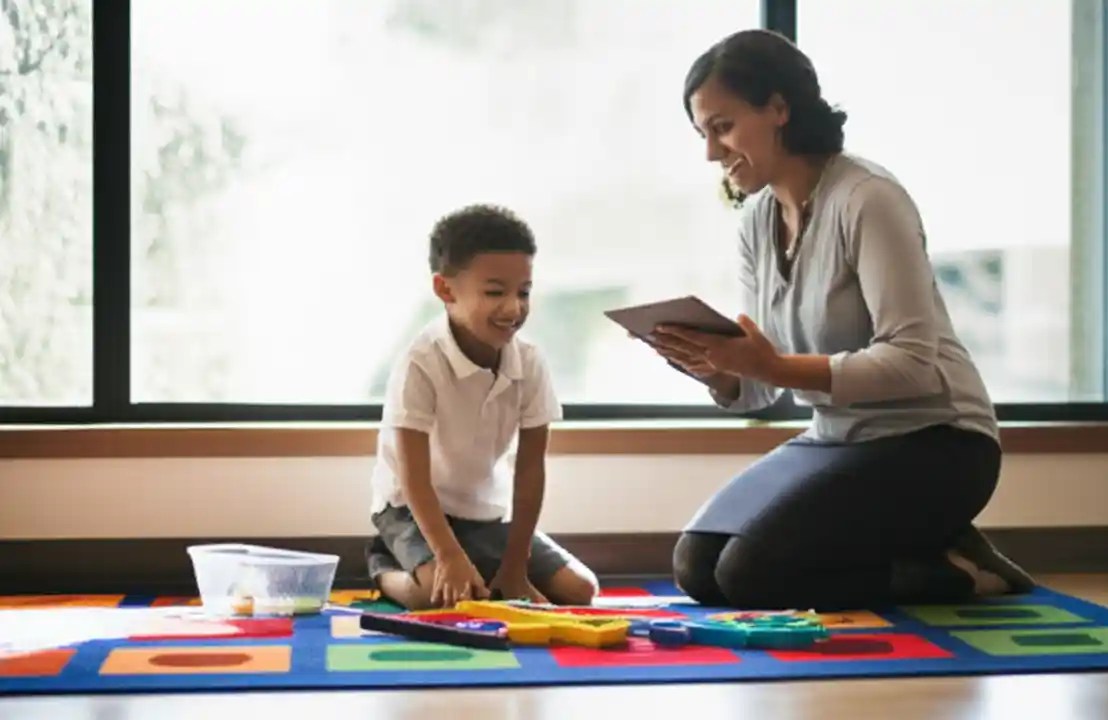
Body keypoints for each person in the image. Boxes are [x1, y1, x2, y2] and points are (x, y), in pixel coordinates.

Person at [646, 30, 1034, 611]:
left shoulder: (868, 197)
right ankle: (927, 542)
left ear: (779, 108)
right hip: (837, 438)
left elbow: (909, 363)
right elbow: (764, 384)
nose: (710, 152)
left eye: (722, 127)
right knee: (697, 568)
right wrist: (718, 369)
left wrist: (770, 364)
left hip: (939, 443)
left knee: (751, 574)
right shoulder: (756, 219)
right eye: (703, 134)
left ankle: (956, 568)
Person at [364, 204, 599, 609]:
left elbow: (529, 470)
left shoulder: (529, 361)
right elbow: (412, 477)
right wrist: (448, 556)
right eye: (495, 292)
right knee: (439, 599)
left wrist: (515, 564)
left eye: (523, 292)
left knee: (581, 590)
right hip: (409, 510)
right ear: (445, 290)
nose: (514, 308)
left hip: (483, 513)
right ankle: (384, 569)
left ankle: (472, 562)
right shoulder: (420, 362)